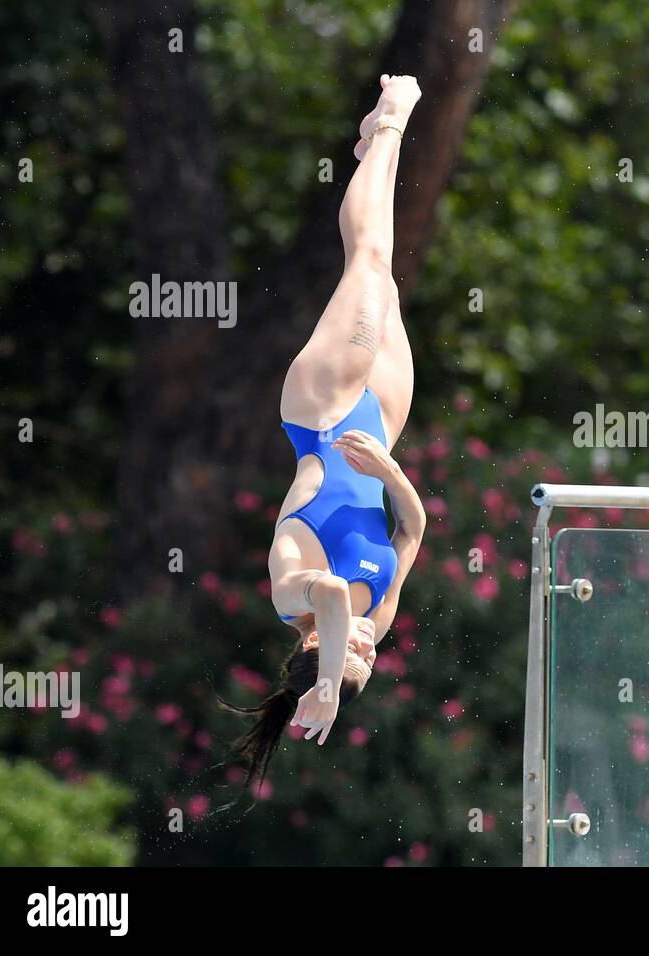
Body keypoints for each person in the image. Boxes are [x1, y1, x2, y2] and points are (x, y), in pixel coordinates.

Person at [223, 75, 426, 784]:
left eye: (358, 658)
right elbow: (412, 533)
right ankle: (376, 137)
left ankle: (394, 115)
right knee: (386, 275)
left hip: (322, 411)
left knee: (366, 260)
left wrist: (328, 687)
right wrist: (392, 474)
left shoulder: (294, 595)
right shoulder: (379, 603)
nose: (373, 650)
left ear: (319, 648)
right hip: (381, 431)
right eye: (372, 661)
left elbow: (333, 600)